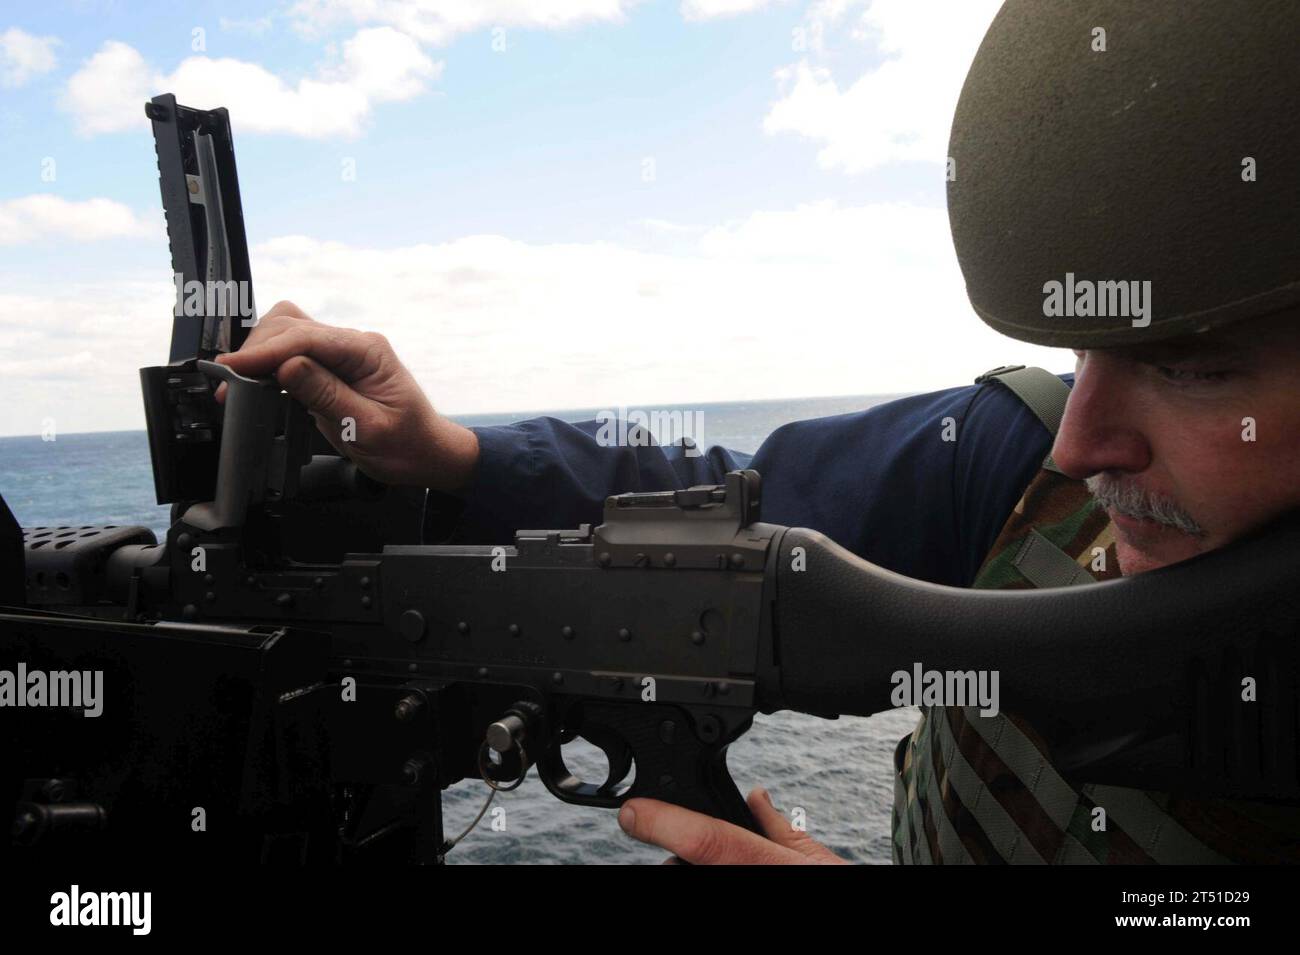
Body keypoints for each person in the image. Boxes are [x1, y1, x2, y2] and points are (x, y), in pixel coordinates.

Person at [214, 0, 1300, 863]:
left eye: (1193, 368)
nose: (1083, 442)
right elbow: (731, 503)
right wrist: (457, 456)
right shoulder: (1016, 456)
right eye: (1081, 354)